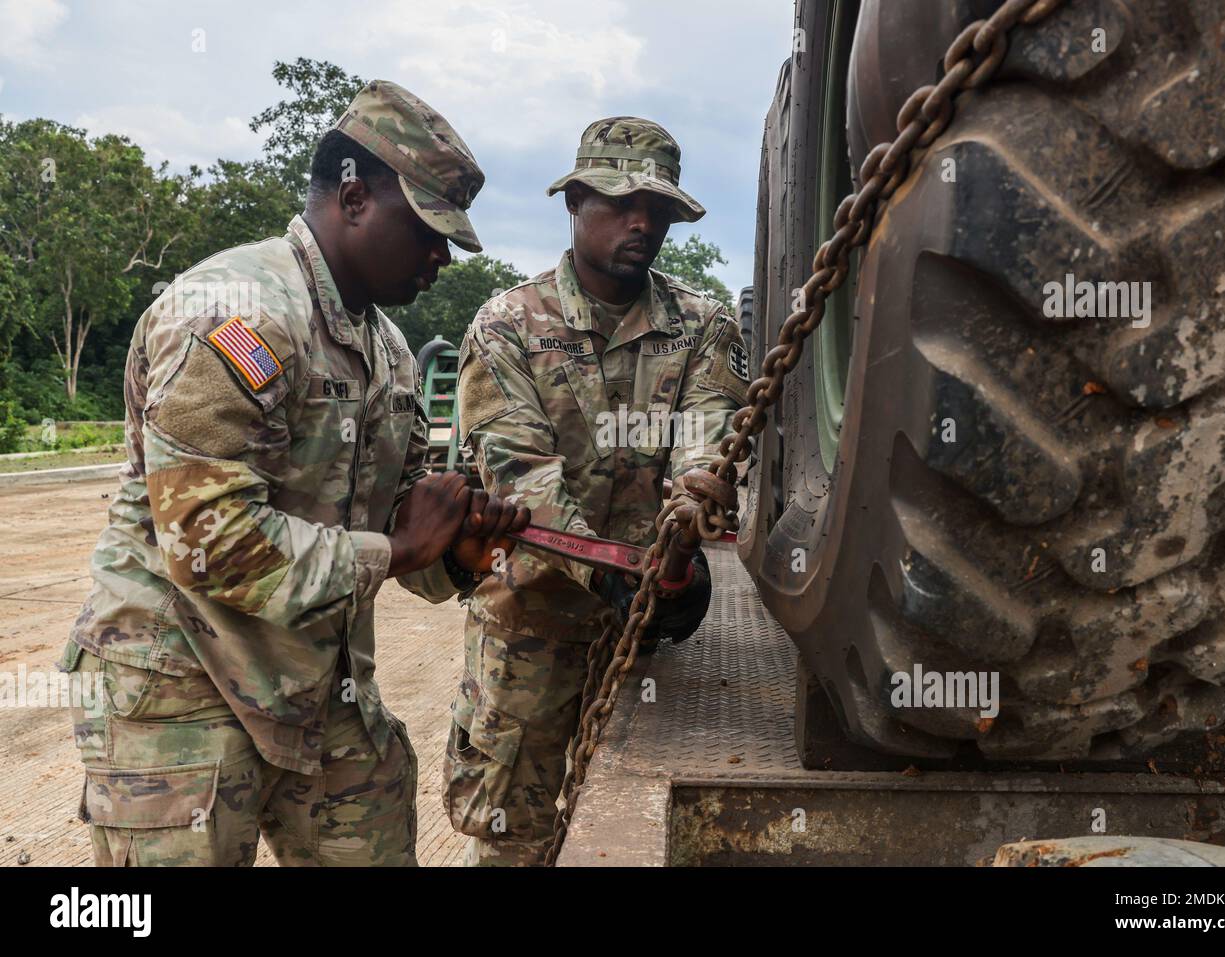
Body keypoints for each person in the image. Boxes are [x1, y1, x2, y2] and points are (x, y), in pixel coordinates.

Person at [60, 80, 528, 867]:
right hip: (182, 685)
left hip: (316, 687)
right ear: (353, 196)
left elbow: (400, 522)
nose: (442, 257)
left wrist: (456, 547)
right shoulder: (236, 314)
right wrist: (401, 550)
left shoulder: (387, 353)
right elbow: (214, 544)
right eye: (427, 230)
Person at [445, 116, 748, 865]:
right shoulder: (507, 326)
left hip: (639, 635)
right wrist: (620, 570)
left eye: (659, 209)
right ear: (575, 201)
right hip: (529, 634)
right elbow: (523, 477)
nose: (643, 222)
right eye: (619, 202)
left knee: (626, 831)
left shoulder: (703, 324)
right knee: (513, 834)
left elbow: (704, 435)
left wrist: (691, 513)